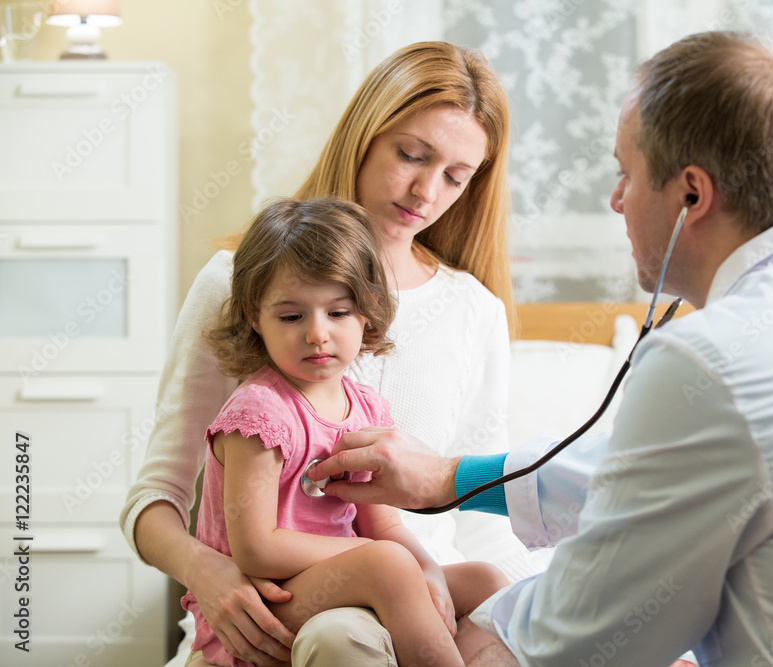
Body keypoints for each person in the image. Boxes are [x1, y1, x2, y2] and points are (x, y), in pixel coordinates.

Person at [310, 31, 773, 666]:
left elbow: (577, 638)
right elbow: (643, 473)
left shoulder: (710, 362)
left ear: (691, 194)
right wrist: (453, 478)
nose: (616, 200)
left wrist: (476, 620)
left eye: (627, 174)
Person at [121, 42, 526, 667]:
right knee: (340, 638)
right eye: (411, 155)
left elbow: (482, 520)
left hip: (421, 595)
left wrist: (520, 606)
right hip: (279, 611)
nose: (426, 191)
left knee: (505, 601)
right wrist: (206, 572)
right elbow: (157, 494)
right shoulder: (236, 282)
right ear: (364, 136)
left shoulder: (475, 310)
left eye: (455, 176)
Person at [183, 197, 506, 667]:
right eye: (291, 316)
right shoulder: (259, 412)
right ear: (255, 316)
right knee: (386, 563)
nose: (317, 333)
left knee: (485, 581)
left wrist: (426, 567)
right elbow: (256, 549)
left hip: (343, 584)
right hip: (263, 603)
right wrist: (371, 556)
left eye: (337, 313)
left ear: (366, 312)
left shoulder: (366, 408)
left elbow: (383, 524)